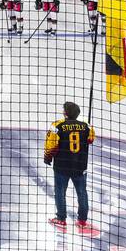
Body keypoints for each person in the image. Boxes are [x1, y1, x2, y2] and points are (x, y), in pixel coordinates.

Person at [44, 101, 98, 236]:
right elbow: (91, 139)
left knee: (60, 192)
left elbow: (51, 145)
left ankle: (61, 219)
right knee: (82, 193)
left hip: (62, 166)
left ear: (65, 113)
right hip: (80, 166)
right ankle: (82, 220)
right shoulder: (87, 126)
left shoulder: (57, 125)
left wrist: (47, 157)